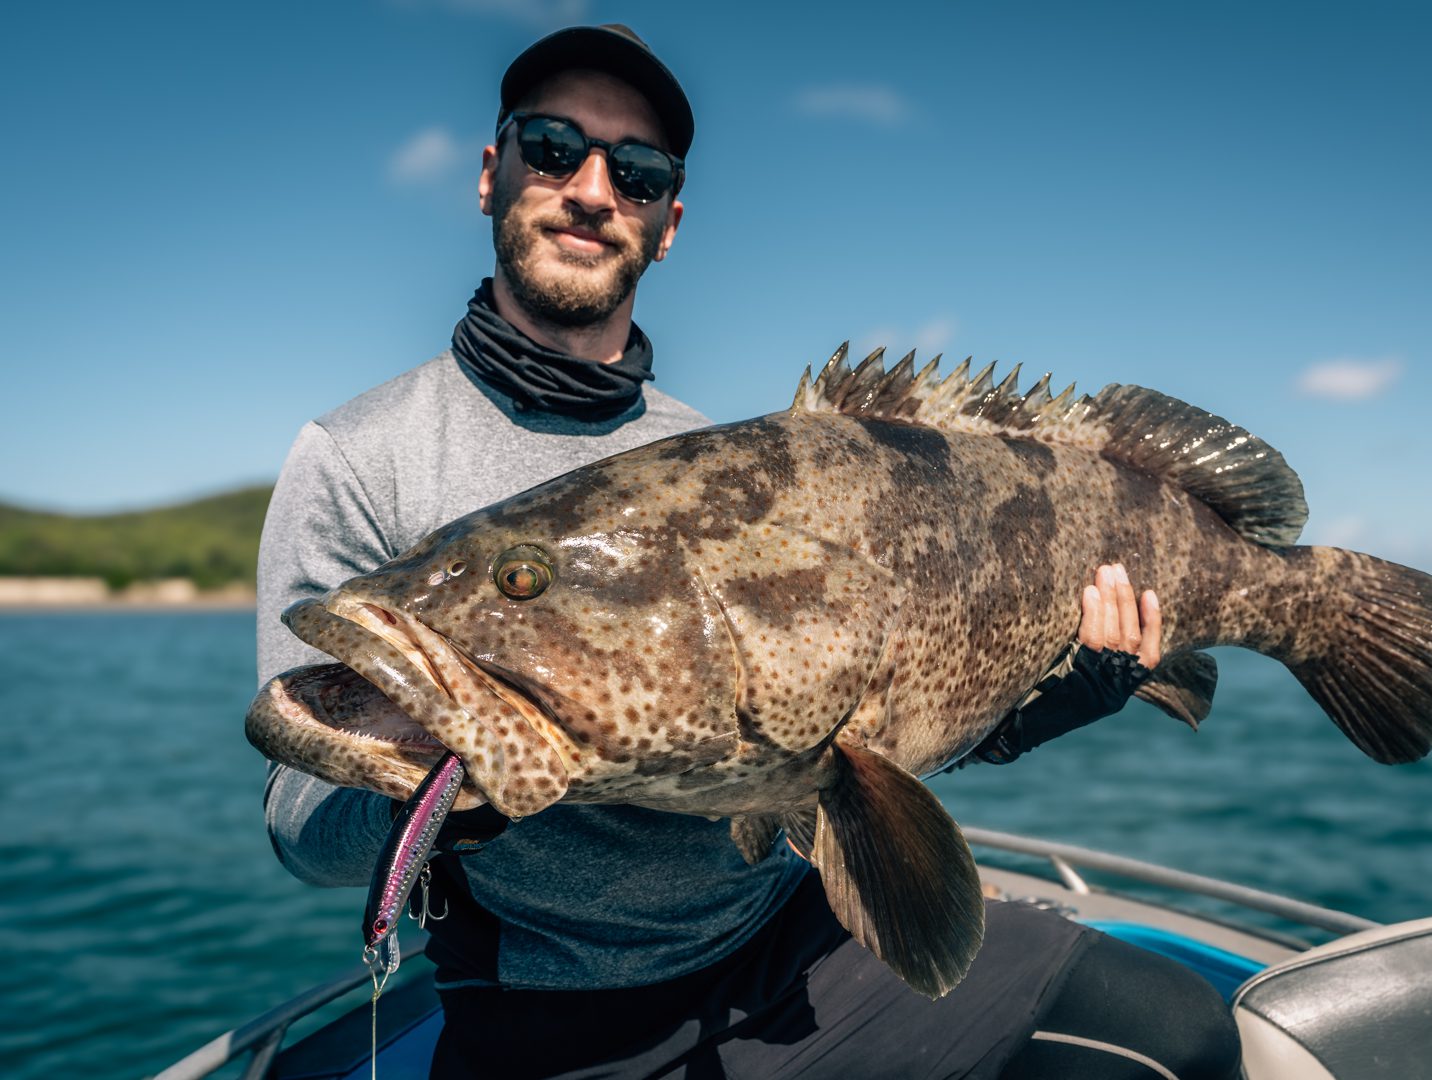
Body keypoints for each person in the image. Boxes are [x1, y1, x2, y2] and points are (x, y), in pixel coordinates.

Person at [256, 23, 1241, 1080]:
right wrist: (471, 783)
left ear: (666, 223)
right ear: (492, 174)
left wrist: (1051, 699)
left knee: (1175, 1029)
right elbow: (301, 826)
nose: (592, 188)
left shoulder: (722, 455)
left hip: (800, 942)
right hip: (561, 1021)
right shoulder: (359, 455)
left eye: (636, 171)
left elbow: (869, 719)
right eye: (553, 147)